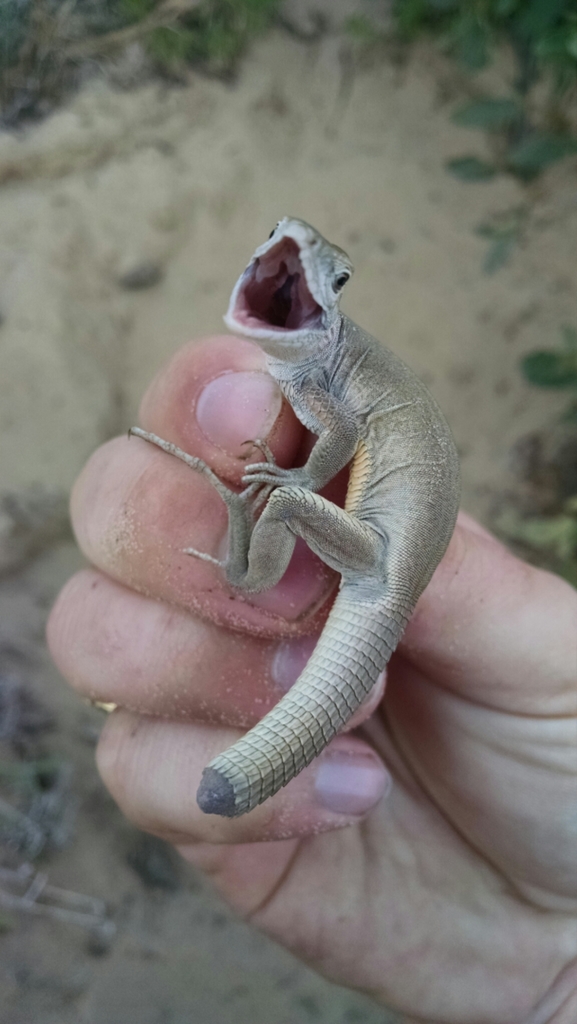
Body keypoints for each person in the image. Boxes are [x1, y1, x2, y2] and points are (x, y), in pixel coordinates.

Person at [47, 336, 577, 1024]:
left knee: (282, 515)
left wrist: (292, 487)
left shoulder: (331, 369)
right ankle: (244, 557)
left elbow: (345, 429)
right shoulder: (320, 368)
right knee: (281, 509)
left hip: (376, 570)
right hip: (377, 569)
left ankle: (241, 564)